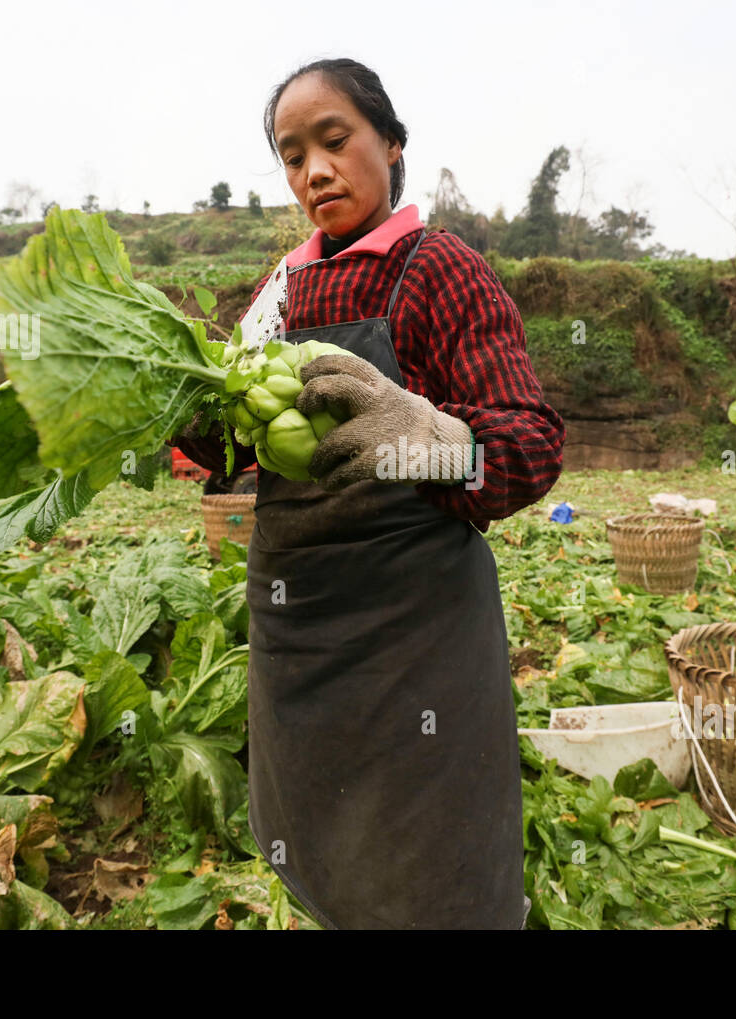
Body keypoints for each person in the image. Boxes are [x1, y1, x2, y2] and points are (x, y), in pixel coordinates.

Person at [172, 58, 565, 929]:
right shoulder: (279, 293)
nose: (315, 170)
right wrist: (164, 403)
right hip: (301, 625)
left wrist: (427, 441)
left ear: (391, 145)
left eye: (335, 140)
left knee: (431, 860)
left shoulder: (439, 270)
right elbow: (231, 442)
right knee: (322, 849)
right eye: (290, 154)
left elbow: (530, 444)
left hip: (413, 633)